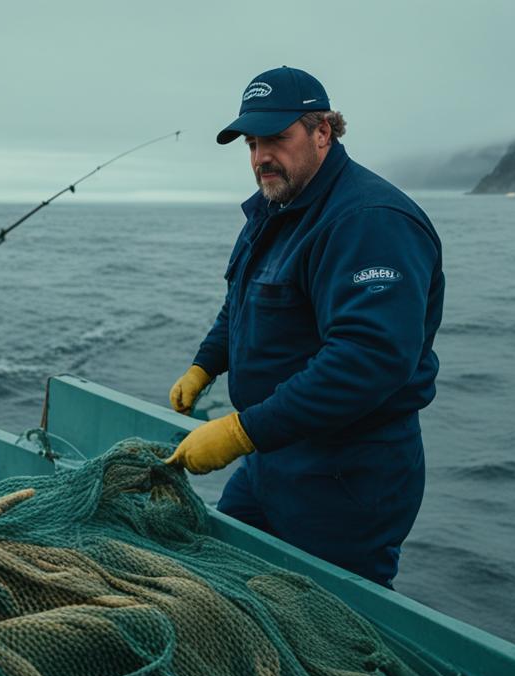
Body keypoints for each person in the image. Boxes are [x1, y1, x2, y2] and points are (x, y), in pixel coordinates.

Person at [165, 66, 444, 588]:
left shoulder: (370, 220)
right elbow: (244, 302)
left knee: (331, 620)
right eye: (252, 143)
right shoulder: (277, 208)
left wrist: (241, 431)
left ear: (323, 132)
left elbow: (367, 359)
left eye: (275, 137)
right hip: (272, 457)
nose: (260, 157)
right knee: (222, 581)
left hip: (346, 476)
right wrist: (206, 364)